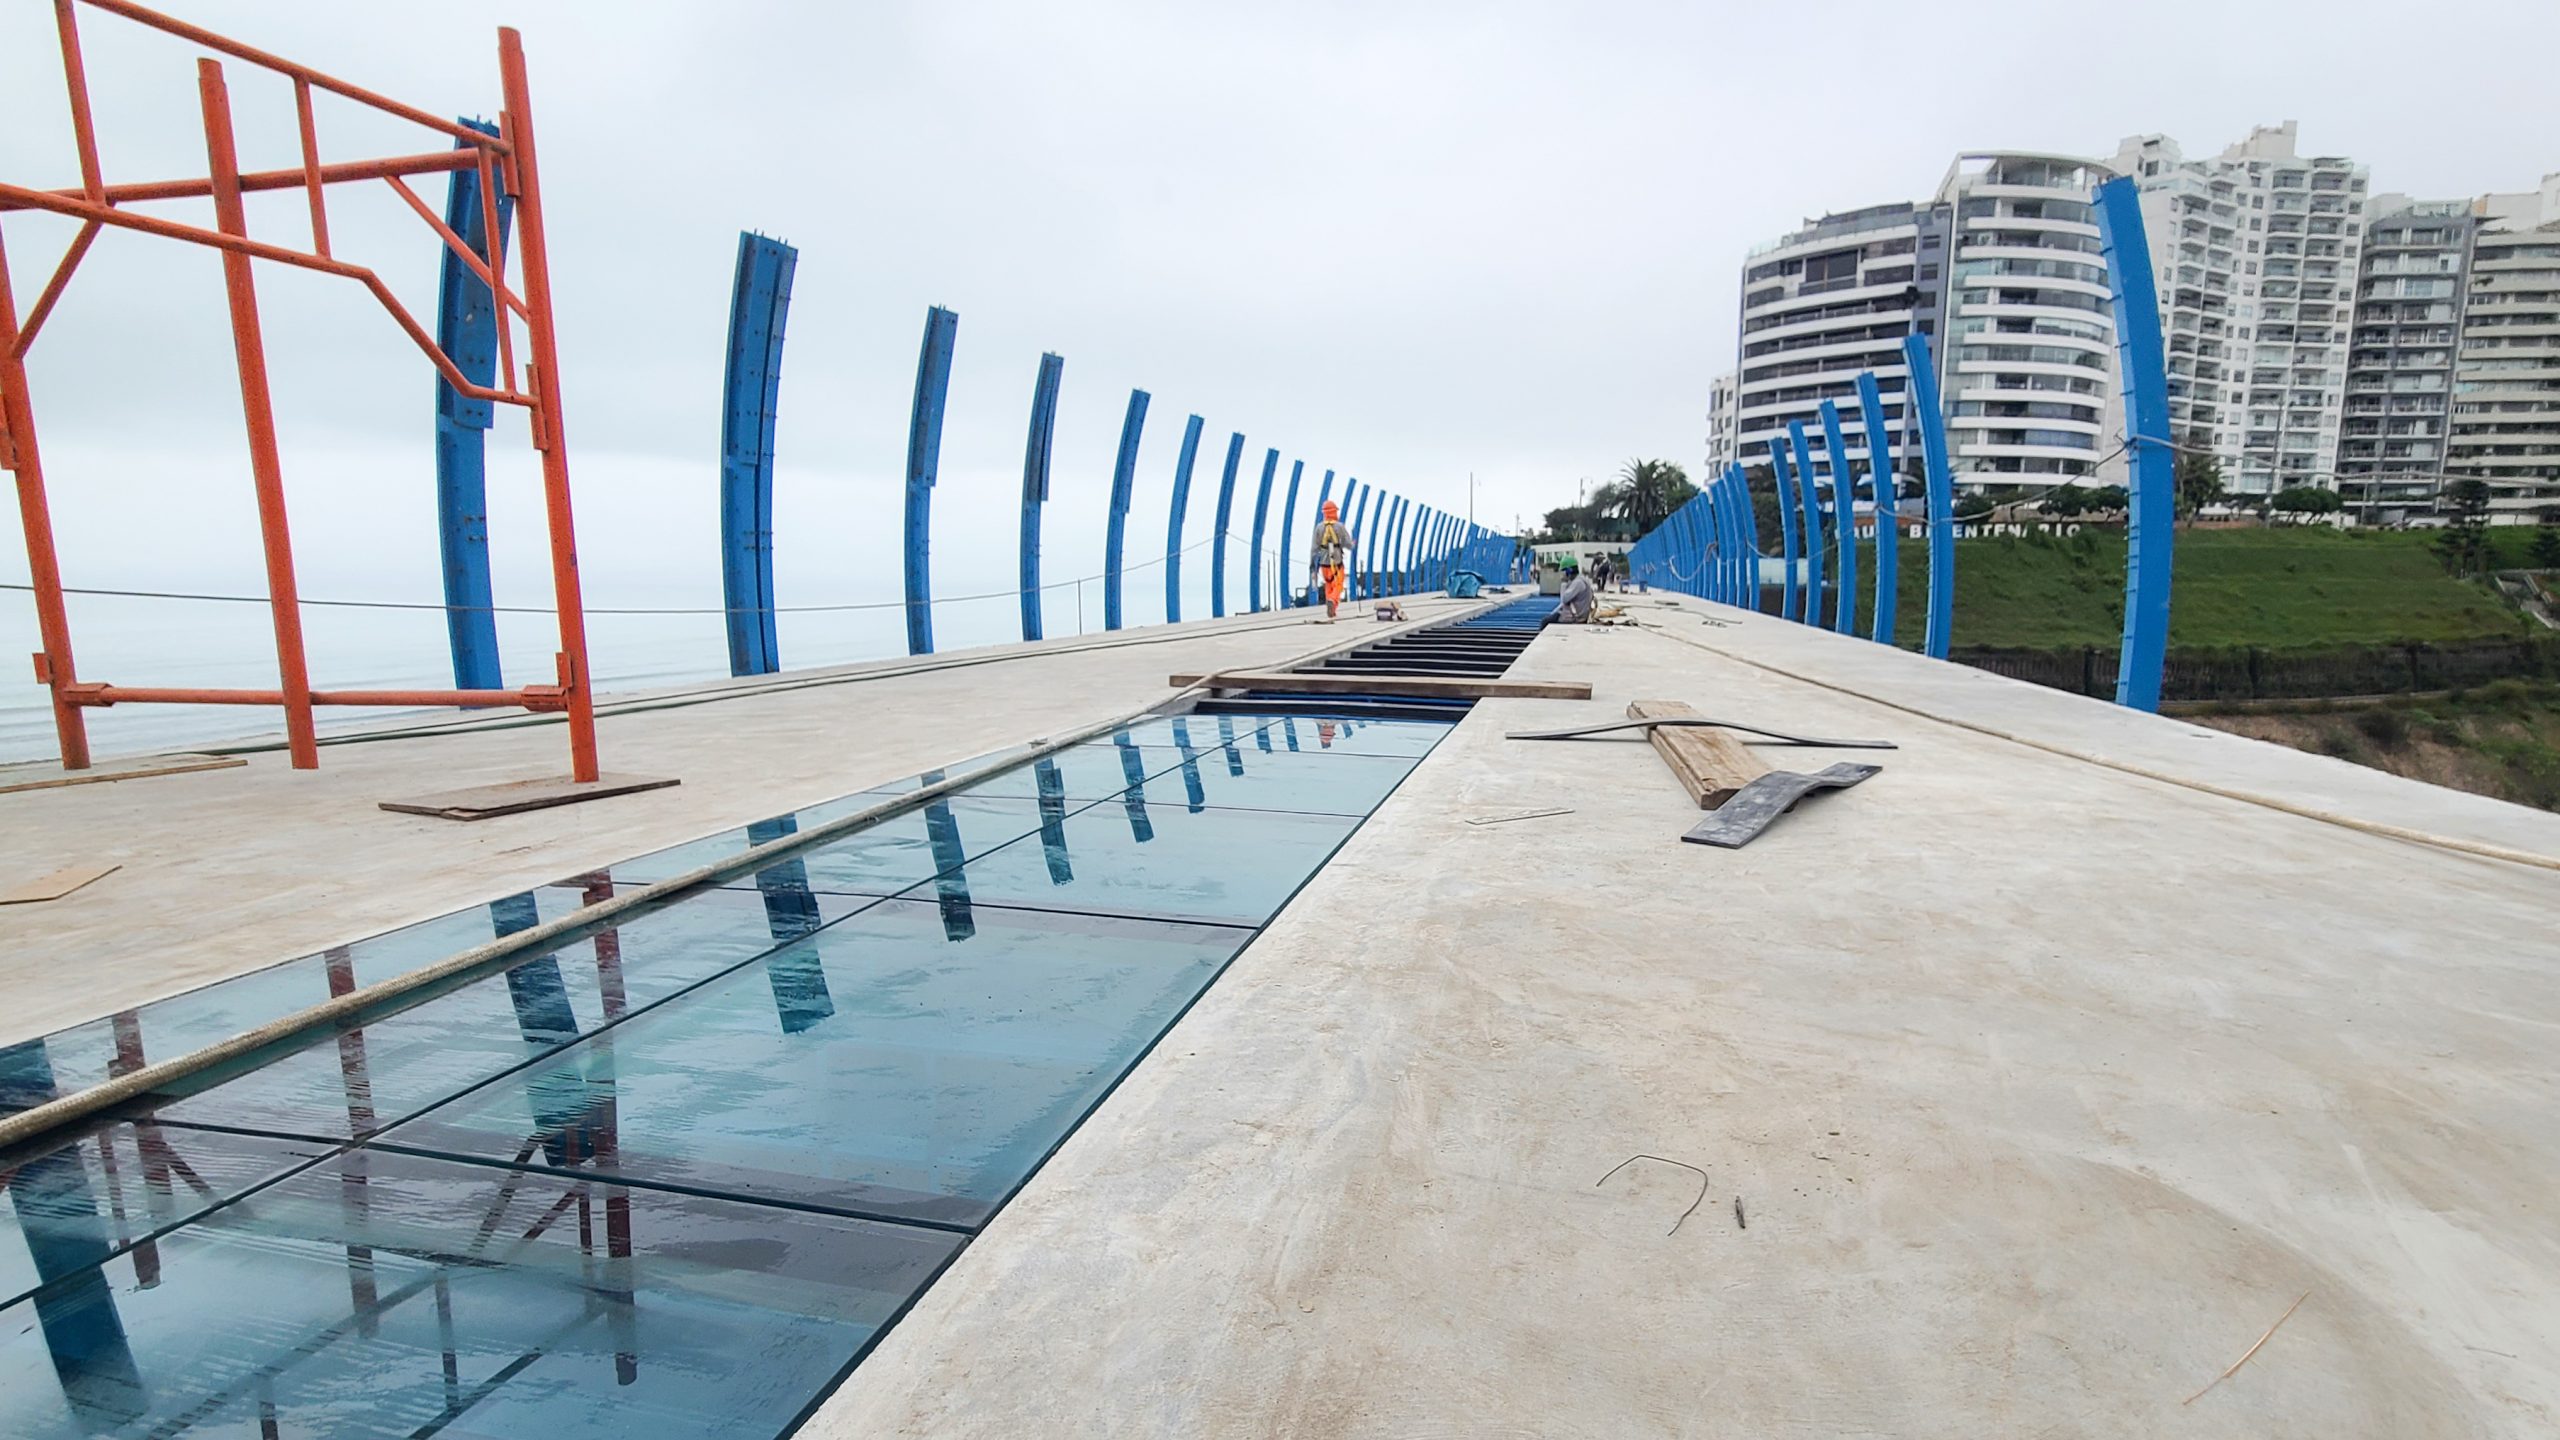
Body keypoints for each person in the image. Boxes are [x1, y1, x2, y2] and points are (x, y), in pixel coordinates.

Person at [1306, 499, 1356, 621]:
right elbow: (1348, 544)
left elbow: (1314, 548)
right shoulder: (1340, 526)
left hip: (1324, 563)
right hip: (1337, 562)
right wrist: (1353, 544)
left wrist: (1313, 564)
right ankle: (1332, 601)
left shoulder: (1319, 528)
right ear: (1334, 512)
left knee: (1329, 584)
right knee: (1338, 585)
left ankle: (1332, 610)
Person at [1543, 558, 1595, 627]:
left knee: (1545, 622)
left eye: (1563, 571)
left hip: (1575, 617)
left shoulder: (1578, 583)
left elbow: (1564, 600)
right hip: (1578, 614)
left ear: (1569, 571)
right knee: (1551, 617)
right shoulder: (1581, 579)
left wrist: (1563, 583)